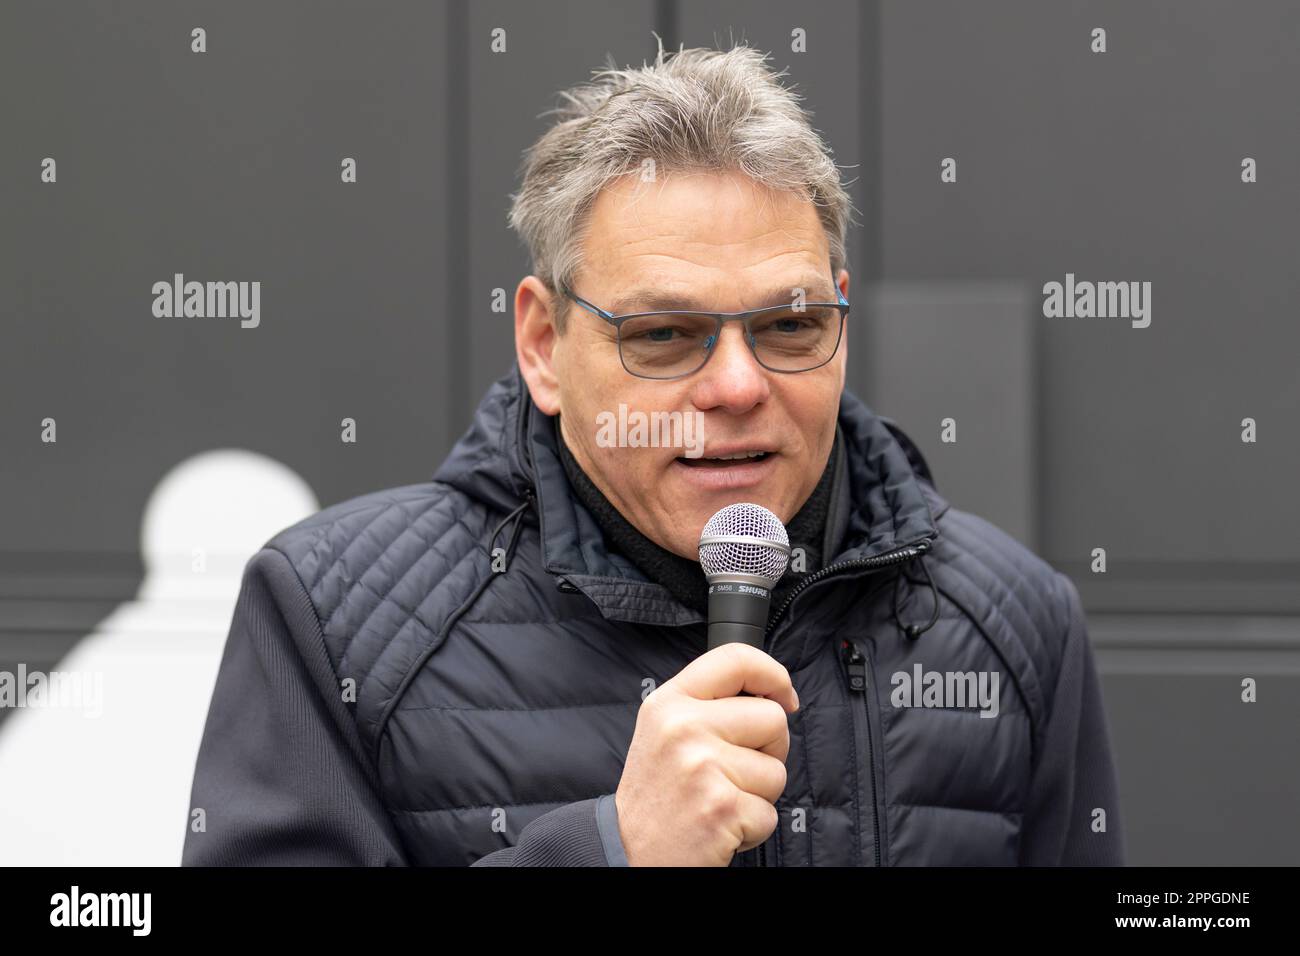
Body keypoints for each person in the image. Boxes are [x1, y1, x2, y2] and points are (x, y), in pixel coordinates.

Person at [183, 41, 1123, 866]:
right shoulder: (335, 616)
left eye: (791, 325)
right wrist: (609, 854)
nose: (738, 386)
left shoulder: (1017, 621)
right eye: (666, 335)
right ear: (545, 346)